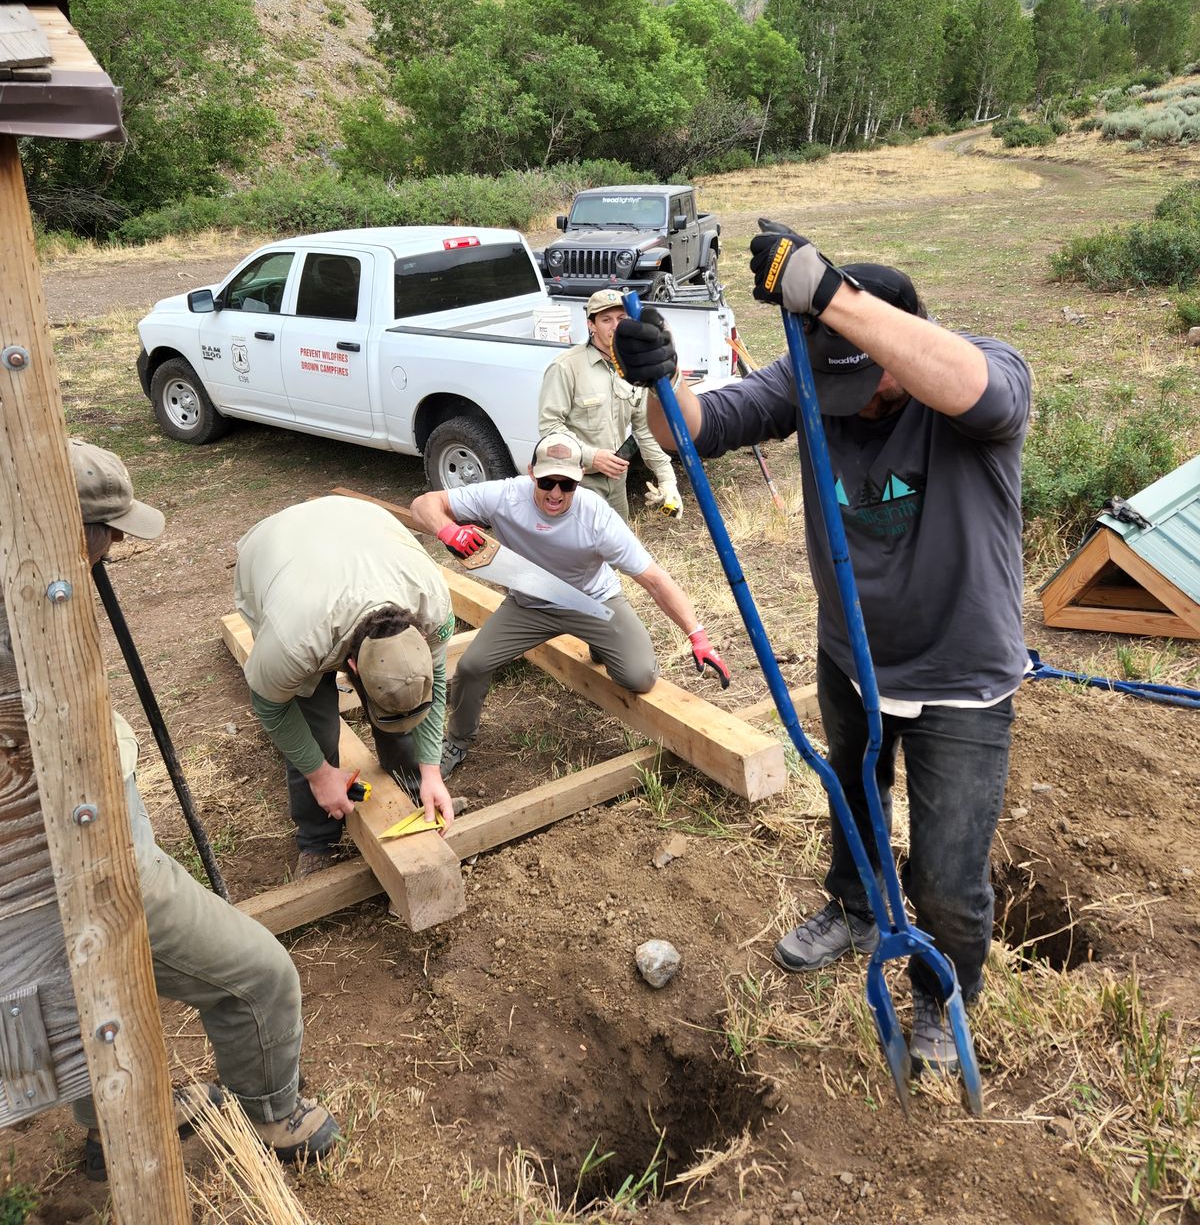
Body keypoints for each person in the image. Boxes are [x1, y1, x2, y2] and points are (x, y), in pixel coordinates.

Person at [614, 222, 1031, 1076]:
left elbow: (979, 392)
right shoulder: (810, 380)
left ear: (900, 338)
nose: (854, 408)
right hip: (853, 658)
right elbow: (693, 429)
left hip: (960, 676)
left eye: (869, 384)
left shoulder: (977, 368)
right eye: (835, 389)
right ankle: (855, 909)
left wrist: (830, 292)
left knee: (948, 878)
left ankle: (941, 993)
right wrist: (657, 377)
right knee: (853, 799)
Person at [30, 440, 337, 1174]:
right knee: (259, 976)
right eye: (108, 533)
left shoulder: (36, 588)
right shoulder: (23, 623)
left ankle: (118, 1120)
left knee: (83, 983)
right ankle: (272, 1117)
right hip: (78, 843)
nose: (115, 547)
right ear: (69, 530)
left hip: (78, 818)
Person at [409, 430, 730, 780]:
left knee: (640, 677)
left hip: (593, 602)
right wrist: (448, 531)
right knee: (471, 666)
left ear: (580, 478)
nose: (556, 493)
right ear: (531, 472)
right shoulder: (504, 495)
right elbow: (423, 505)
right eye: (547, 482)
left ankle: (600, 644)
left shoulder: (597, 517)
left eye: (567, 484)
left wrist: (697, 635)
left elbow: (655, 579)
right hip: (529, 604)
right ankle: (457, 741)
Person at [233, 496, 457, 877]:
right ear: (351, 667)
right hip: (280, 550)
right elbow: (271, 705)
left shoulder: (433, 605)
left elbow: (429, 691)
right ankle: (316, 837)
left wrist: (431, 772)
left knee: (402, 701)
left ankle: (413, 784)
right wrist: (320, 774)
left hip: (360, 526)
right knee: (315, 727)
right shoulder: (294, 641)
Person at [538, 288, 682, 523]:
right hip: (578, 481)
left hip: (617, 480)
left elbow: (644, 429)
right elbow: (550, 428)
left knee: (618, 542)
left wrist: (667, 479)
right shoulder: (565, 367)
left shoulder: (632, 369)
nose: (615, 326)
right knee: (583, 543)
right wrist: (592, 456)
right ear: (591, 325)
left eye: (621, 319)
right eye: (606, 320)